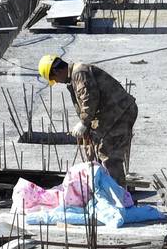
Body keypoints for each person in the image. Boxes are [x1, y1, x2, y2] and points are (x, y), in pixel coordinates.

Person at [37, 54, 139, 188]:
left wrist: (84, 123)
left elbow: (89, 99)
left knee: (109, 155)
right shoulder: (75, 76)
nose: (57, 82)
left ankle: (118, 198)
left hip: (119, 113)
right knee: (97, 153)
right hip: (111, 116)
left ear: (56, 71)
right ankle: (107, 192)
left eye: (54, 79)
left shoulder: (79, 72)